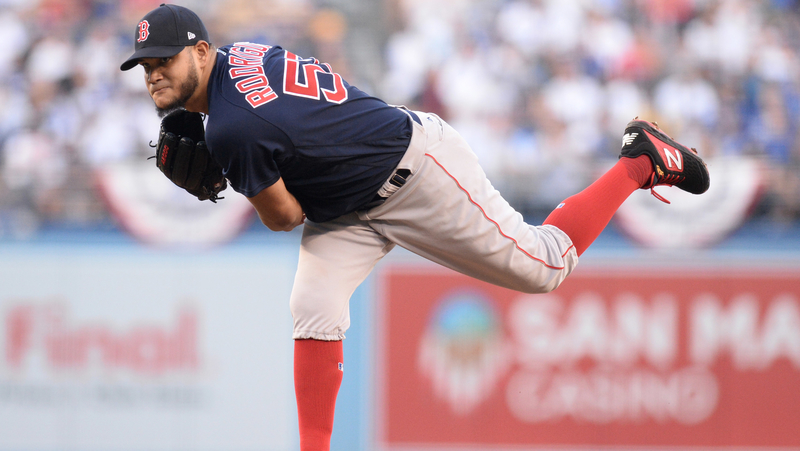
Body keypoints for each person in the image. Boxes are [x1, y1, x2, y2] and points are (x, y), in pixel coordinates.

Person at [121, 4, 709, 450]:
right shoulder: (242, 55)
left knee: (545, 266)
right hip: (348, 198)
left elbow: (284, 217)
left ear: (201, 52)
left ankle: (641, 160)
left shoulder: (230, 131)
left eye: (165, 60)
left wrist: (233, 167)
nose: (153, 74)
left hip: (415, 173)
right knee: (313, 304)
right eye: (145, 66)